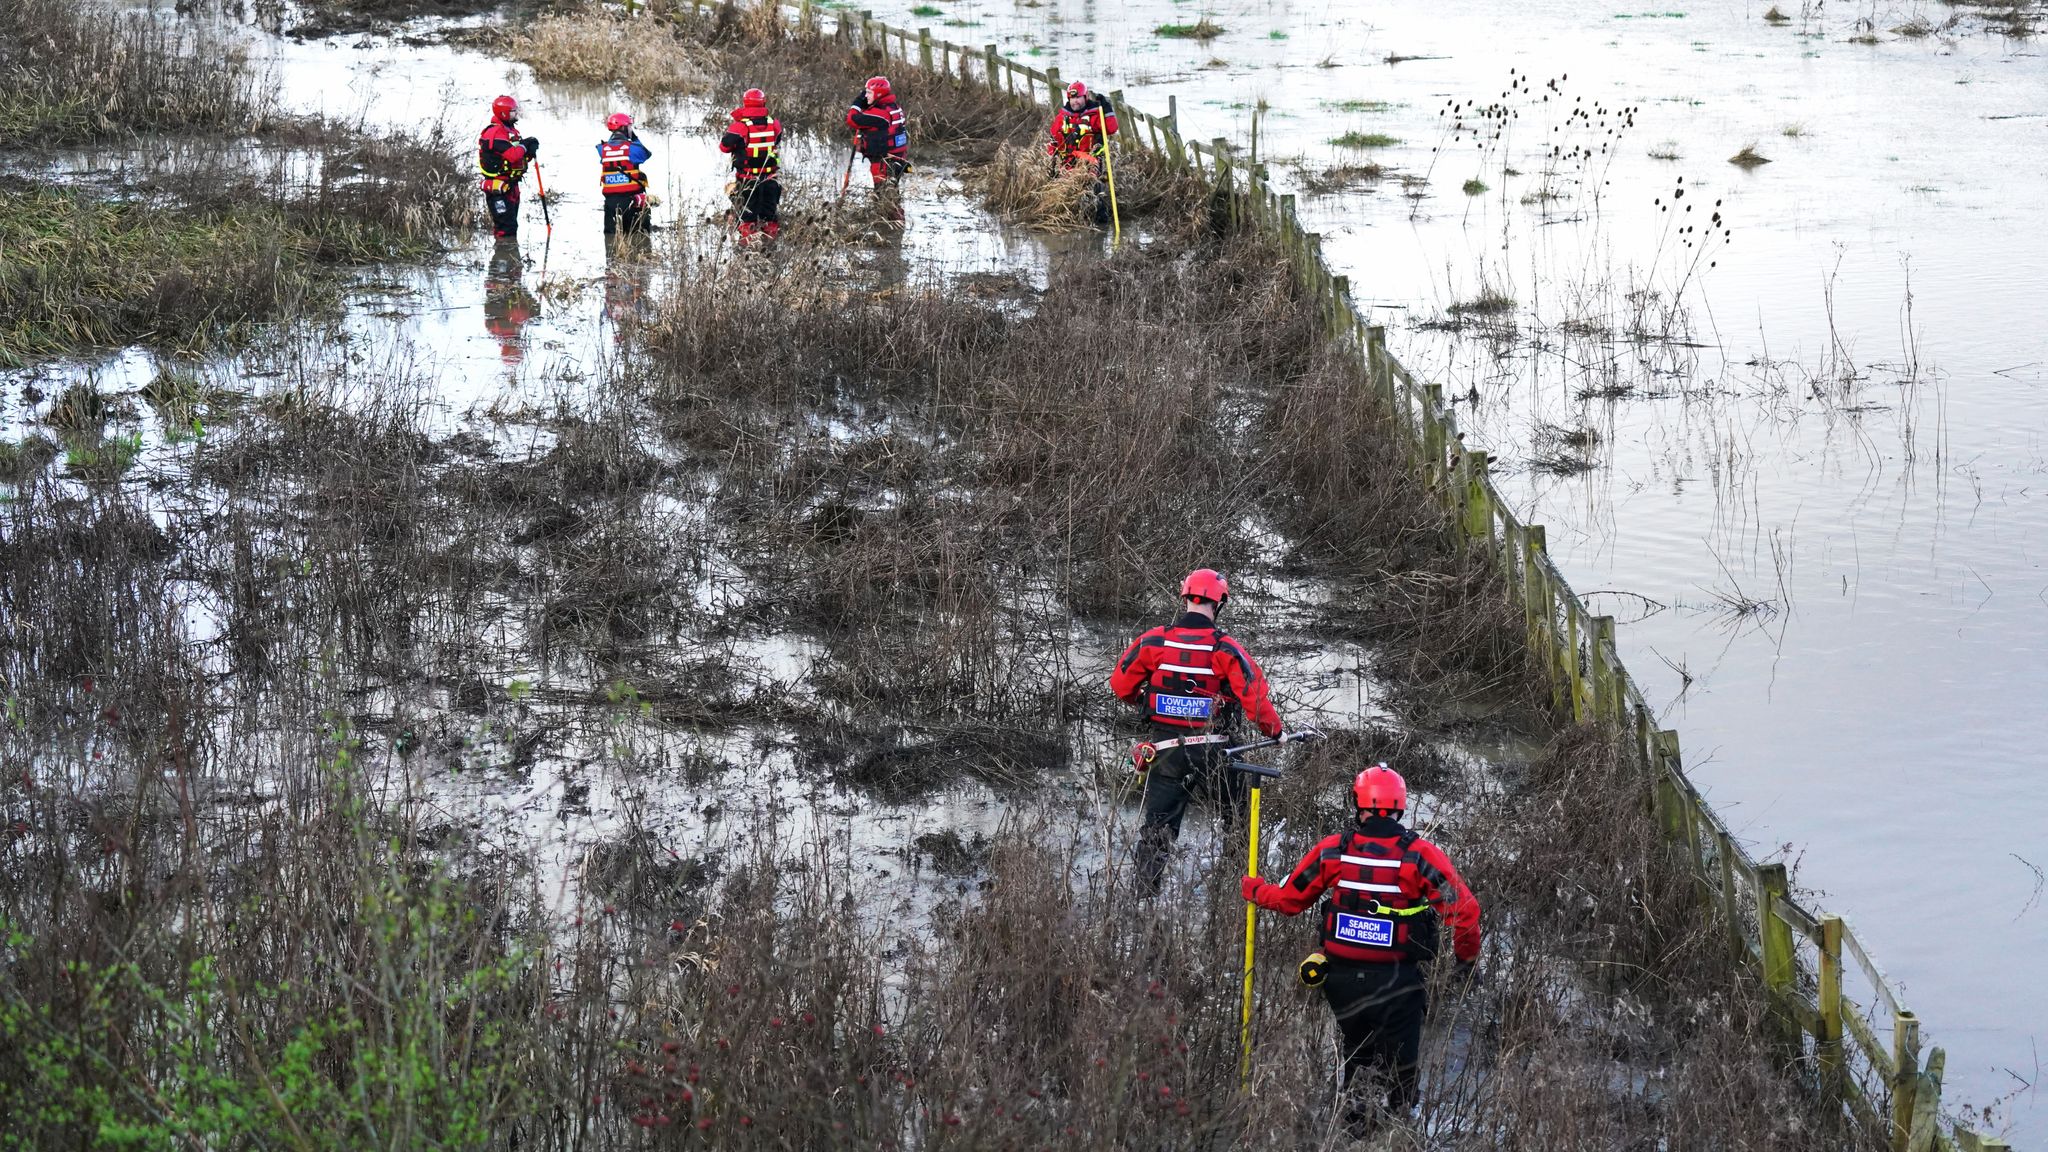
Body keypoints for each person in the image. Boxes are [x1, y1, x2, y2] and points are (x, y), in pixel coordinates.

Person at [1239, 764, 1482, 1137]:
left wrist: (1254, 889)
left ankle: (1353, 1127)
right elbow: (1464, 912)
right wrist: (1465, 962)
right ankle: (1394, 1133)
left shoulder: (1332, 850)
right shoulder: (1420, 856)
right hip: (1398, 985)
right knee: (1400, 1078)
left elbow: (1289, 900)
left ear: (1358, 804)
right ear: (1400, 806)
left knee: (1356, 1054)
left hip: (1340, 982)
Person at [1110, 568, 1284, 896]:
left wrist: (1143, 701)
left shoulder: (1154, 641)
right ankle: (1236, 893)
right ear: (1219, 604)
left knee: (1157, 831)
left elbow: (1121, 685)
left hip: (1165, 752)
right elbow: (1256, 699)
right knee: (1237, 822)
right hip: (1218, 751)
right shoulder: (1226, 648)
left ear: (1186, 597)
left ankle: (1143, 898)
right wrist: (1275, 732)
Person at [1047, 80, 1121, 223]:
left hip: (1091, 160)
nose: (1075, 101)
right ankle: (1070, 218)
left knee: (1096, 187)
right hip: (1068, 161)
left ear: (1085, 97)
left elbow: (1111, 128)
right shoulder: (1062, 117)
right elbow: (1053, 140)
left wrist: (1107, 109)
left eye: (1078, 98)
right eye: (1072, 98)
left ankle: (1100, 221)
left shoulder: (1095, 115)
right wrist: (1053, 162)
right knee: (1063, 190)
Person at [719, 88, 783, 241]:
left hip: (747, 179)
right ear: (763, 102)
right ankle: (771, 247)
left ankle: (748, 250)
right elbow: (777, 141)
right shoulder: (774, 123)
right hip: (770, 178)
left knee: (747, 216)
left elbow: (724, 147)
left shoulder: (740, 127)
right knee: (770, 215)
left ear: (745, 103)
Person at [478, 95, 538, 239]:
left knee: (512, 225)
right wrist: (525, 145)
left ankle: (510, 258)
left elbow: (518, 159)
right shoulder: (494, 133)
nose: (516, 113)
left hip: (511, 185)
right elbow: (513, 155)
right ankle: (502, 258)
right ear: (503, 113)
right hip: (498, 188)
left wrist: (529, 150)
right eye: (513, 111)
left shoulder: (510, 131)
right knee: (505, 228)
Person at [845, 75, 911, 191]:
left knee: (882, 195)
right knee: (892, 192)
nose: (865, 96)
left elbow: (852, 119)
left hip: (884, 161)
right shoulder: (893, 106)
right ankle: (894, 207)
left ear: (878, 94)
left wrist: (858, 102)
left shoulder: (881, 114)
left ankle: (889, 208)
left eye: (869, 93)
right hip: (897, 157)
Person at [597, 112, 653, 236]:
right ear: (623, 128)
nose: (630, 129)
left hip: (610, 206)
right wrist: (633, 137)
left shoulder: (602, 149)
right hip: (633, 203)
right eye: (628, 126)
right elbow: (647, 154)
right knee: (640, 240)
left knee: (611, 242)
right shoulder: (633, 148)